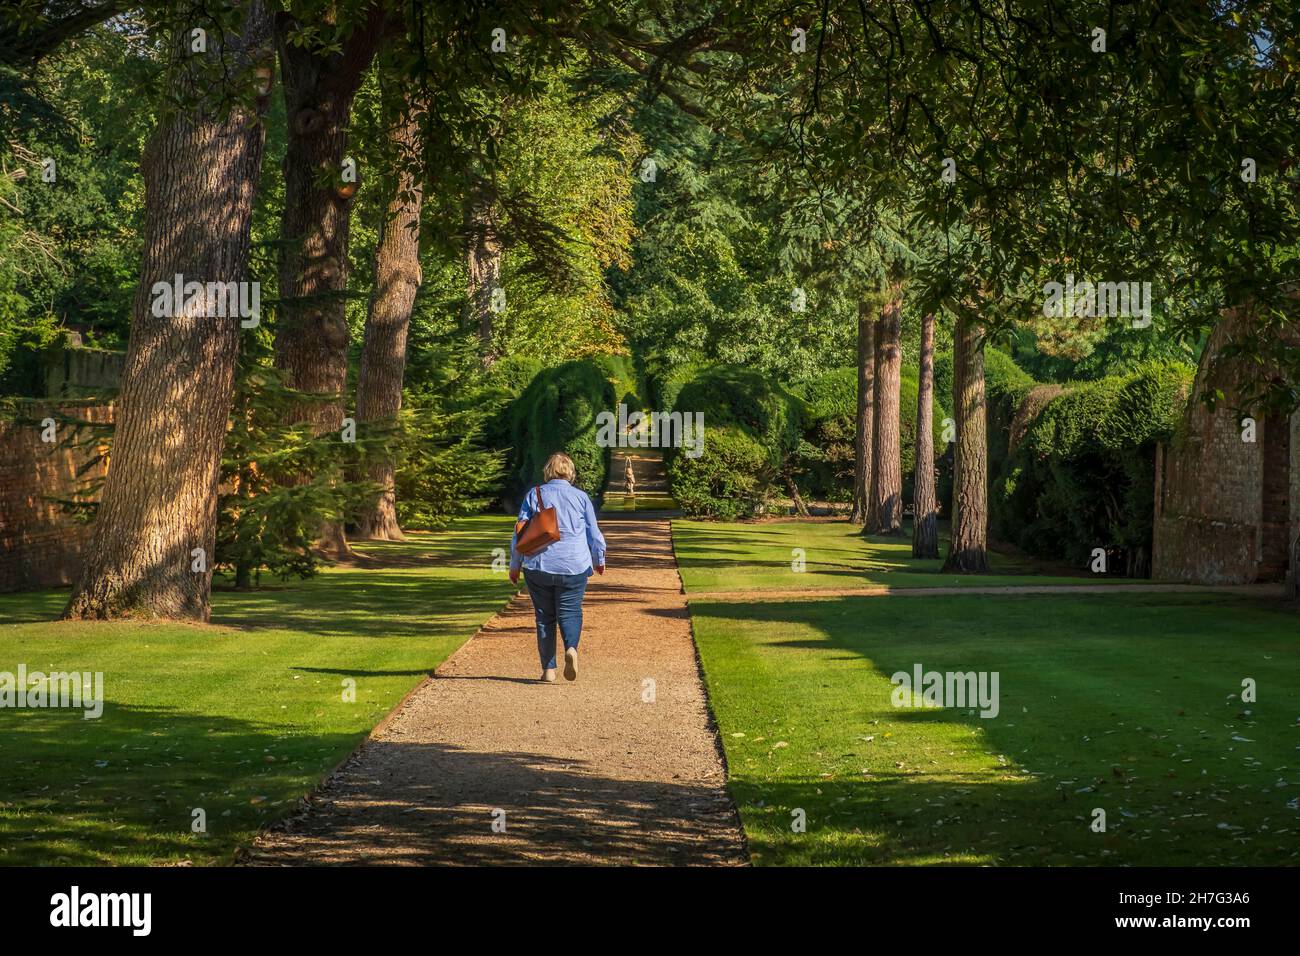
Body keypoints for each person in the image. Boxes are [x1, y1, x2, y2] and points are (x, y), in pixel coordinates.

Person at [509, 452, 606, 683]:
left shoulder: (535, 494)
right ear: (570, 472)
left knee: (544, 617)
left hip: (539, 565)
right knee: (571, 610)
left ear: (548, 471)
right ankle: (571, 648)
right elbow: (594, 534)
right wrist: (599, 559)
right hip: (574, 564)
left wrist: (515, 564)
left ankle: (548, 670)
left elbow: (519, 532)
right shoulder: (581, 497)